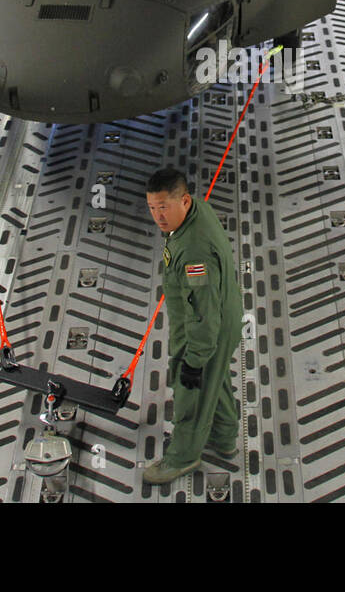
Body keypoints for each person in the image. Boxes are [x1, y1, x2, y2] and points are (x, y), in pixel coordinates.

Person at [142, 168, 242, 484]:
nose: (158, 216)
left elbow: (204, 312)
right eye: (153, 207)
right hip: (216, 318)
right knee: (216, 378)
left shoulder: (195, 251)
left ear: (183, 200)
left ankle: (182, 457)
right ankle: (224, 438)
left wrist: (195, 359)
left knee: (192, 391)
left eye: (164, 207)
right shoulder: (197, 211)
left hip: (204, 328)